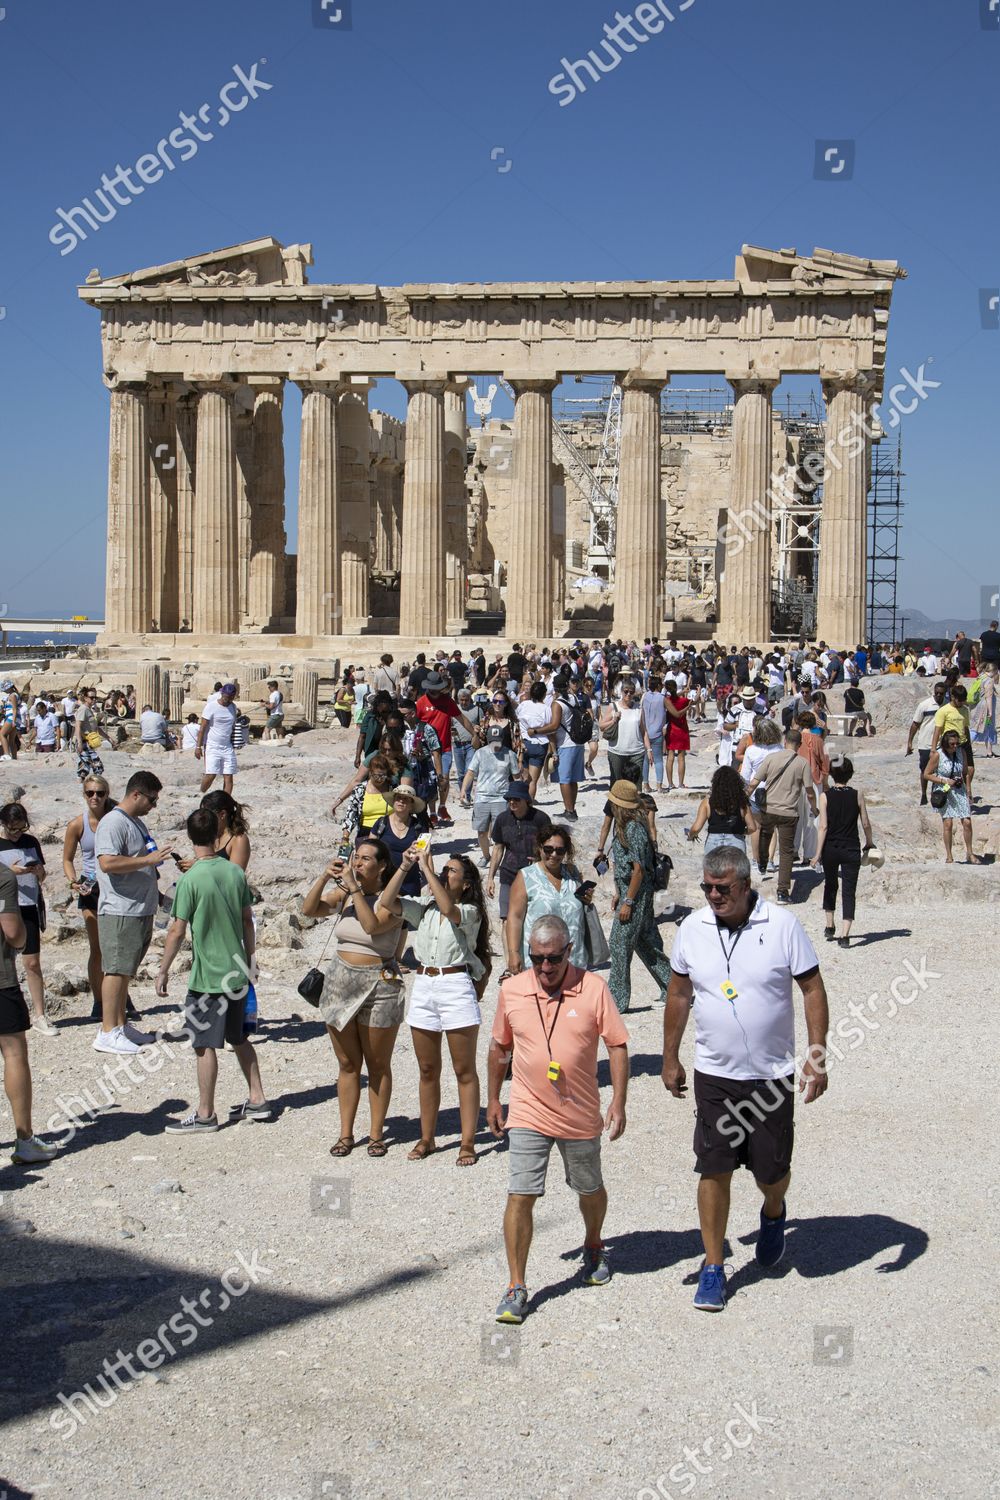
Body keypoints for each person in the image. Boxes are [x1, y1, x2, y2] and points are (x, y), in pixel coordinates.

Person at [661, 846, 829, 1311]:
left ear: (746, 885)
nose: (714, 896)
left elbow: (812, 987)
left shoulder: (782, 927)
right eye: (707, 888)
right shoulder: (692, 930)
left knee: (770, 1171)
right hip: (714, 1073)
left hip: (772, 1075)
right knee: (712, 1166)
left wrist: (816, 1055)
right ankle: (713, 1267)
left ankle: (773, 1211)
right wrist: (669, 1057)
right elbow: (678, 994)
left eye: (723, 889)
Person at [488, 915, 629, 1324]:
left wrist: (618, 1102)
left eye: (553, 959)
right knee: (520, 1193)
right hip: (528, 1108)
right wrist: (493, 1100)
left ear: (569, 952)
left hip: (580, 1112)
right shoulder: (512, 990)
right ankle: (516, 1285)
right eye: (537, 959)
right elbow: (499, 1047)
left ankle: (594, 1241)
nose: (545, 968)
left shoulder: (594, 988)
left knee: (589, 1189)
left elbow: (617, 1046)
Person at [155, 808, 270, 1131]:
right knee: (238, 1037)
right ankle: (258, 1098)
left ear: (191, 838)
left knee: (204, 1044)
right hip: (237, 969)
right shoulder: (235, 873)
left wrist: (163, 969)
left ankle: (206, 1113)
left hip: (208, 977)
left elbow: (177, 929)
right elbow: (248, 919)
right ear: (216, 835)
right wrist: (251, 958)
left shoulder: (190, 879)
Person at [382, 845, 490, 1164]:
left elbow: (450, 911)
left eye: (451, 871)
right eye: (444, 869)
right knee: (427, 1069)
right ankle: (426, 1137)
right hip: (425, 984)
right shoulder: (425, 908)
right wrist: (404, 867)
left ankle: (467, 1141)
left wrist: (429, 871)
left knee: (463, 1069)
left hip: (455, 984)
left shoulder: (471, 912)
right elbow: (387, 903)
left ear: (466, 883)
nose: (445, 873)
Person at [302, 838, 405, 1157]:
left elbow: (373, 926)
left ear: (382, 866)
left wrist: (354, 889)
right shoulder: (346, 894)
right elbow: (309, 910)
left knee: (377, 1063)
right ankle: (346, 1133)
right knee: (347, 1063)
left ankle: (376, 1134)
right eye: (355, 858)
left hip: (380, 986)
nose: (357, 863)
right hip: (340, 982)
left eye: (365, 859)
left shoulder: (392, 901)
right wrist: (323, 878)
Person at [93, 771, 173, 1055]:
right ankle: (107, 1032)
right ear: (136, 794)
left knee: (126, 970)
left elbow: (140, 867)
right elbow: (107, 862)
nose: (154, 805)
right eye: (152, 799)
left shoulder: (135, 823)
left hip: (140, 908)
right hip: (120, 910)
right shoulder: (113, 823)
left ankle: (120, 1025)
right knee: (115, 970)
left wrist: (159, 895)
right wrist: (148, 859)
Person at [0, 861, 59, 1164]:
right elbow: (12, 932)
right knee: (13, 1054)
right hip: (1, 981)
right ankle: (24, 1138)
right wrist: (23, 936)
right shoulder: (2, 875)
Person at [606, 780, 672, 1014]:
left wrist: (628, 901)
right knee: (645, 943)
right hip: (630, 890)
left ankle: (617, 1000)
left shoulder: (633, 828)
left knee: (619, 943)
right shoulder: (626, 826)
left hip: (636, 892)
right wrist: (618, 893)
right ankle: (674, 986)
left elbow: (638, 869)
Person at [63, 776, 118, 1022]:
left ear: (107, 794)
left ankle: (119, 995)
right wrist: (72, 880)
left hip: (114, 886)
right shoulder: (77, 824)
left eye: (99, 793)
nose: (94, 797)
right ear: (84, 795)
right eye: (90, 793)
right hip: (90, 888)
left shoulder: (115, 819)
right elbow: (67, 858)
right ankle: (98, 1000)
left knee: (116, 947)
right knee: (97, 948)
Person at [0, 803, 57, 1035]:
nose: (16, 834)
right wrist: (9, 873)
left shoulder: (31, 842)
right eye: (12, 829)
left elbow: (42, 875)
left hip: (29, 906)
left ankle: (40, 1015)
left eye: (21, 829)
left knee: (32, 963)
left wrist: (37, 872)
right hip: (5, 907)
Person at [506, 824, 590, 972]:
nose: (554, 855)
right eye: (548, 849)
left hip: (574, 959)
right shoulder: (526, 876)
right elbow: (515, 917)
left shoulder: (573, 873)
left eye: (560, 850)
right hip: (541, 962)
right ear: (540, 848)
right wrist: (513, 953)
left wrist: (587, 899)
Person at [488, 782, 551, 975]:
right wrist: (490, 877)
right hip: (509, 874)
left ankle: (535, 963)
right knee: (507, 919)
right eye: (509, 799)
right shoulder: (502, 819)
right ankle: (511, 966)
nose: (512, 802)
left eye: (516, 799)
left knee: (534, 920)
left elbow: (550, 847)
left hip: (535, 876)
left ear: (526, 800)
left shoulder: (541, 819)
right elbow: (498, 848)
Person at [747, 729, 817, 904]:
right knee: (786, 853)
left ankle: (762, 862)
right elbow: (809, 791)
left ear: (785, 741)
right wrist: (815, 808)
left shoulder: (771, 759)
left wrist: (743, 799)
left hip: (768, 808)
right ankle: (782, 892)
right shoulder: (802, 763)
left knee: (765, 835)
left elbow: (754, 782)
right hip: (788, 812)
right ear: (799, 745)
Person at [812, 757, 874, 948]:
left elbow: (823, 826)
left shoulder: (825, 796)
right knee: (849, 891)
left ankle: (829, 925)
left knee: (830, 886)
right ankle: (845, 935)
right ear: (851, 774)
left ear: (831, 774)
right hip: (851, 848)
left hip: (831, 847)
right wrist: (870, 842)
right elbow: (865, 822)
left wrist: (816, 854)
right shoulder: (857, 795)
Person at [416, 672, 475, 827]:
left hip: (445, 747)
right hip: (427, 750)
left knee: (444, 778)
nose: (435, 692)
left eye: (437, 689)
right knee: (431, 781)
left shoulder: (447, 701)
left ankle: (442, 806)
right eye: (432, 689)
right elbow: (416, 726)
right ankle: (433, 813)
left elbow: (462, 719)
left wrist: (475, 735)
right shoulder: (421, 703)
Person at [536, 672, 591, 821]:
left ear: (554, 688)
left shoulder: (557, 703)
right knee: (573, 779)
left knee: (564, 780)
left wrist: (536, 731)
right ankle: (571, 809)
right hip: (577, 743)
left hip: (565, 744)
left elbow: (554, 725)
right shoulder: (574, 698)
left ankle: (569, 810)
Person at [460, 736, 521, 867]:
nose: (495, 744)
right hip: (482, 797)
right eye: (492, 741)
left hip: (501, 797)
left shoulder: (510, 754)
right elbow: (470, 773)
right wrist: (464, 789)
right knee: (481, 831)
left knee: (499, 832)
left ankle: (497, 861)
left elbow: (516, 776)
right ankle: (486, 856)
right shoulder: (480, 753)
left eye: (498, 741)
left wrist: (520, 794)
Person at [924, 730, 978, 864]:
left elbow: (965, 772)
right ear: (945, 744)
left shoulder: (961, 752)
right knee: (948, 823)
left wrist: (969, 789)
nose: (955, 747)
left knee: (967, 821)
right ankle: (949, 855)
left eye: (957, 744)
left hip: (959, 790)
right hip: (944, 790)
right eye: (952, 744)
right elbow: (927, 774)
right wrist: (944, 781)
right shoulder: (938, 755)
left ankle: (970, 853)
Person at [686, 767, 757, 856]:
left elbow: (696, 828)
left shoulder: (707, 802)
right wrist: (741, 831)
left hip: (714, 843)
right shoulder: (742, 803)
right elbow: (752, 827)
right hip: (736, 842)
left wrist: (690, 835)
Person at [368, 785, 425, 894]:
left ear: (411, 805)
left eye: (406, 799)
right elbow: (370, 850)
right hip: (384, 881)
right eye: (398, 798)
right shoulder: (381, 823)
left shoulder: (418, 827)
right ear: (393, 801)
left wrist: (430, 879)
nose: (401, 801)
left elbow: (425, 854)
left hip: (410, 881)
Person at [906, 680, 948, 803]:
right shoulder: (924, 705)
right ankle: (924, 794)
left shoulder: (947, 705)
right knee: (925, 771)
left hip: (942, 745)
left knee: (942, 771)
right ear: (934, 692)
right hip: (926, 743)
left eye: (941, 693)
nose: (939, 695)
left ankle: (937, 794)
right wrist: (909, 742)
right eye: (937, 693)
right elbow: (915, 724)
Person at [602, 677, 646, 790]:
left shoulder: (639, 708)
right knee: (616, 784)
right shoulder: (613, 707)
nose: (628, 694)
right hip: (617, 751)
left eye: (631, 692)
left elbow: (643, 730)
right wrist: (613, 720)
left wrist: (649, 750)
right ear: (621, 691)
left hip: (637, 751)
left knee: (636, 786)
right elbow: (601, 726)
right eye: (626, 691)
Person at [196, 683, 238, 795]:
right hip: (212, 745)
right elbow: (202, 728)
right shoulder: (211, 706)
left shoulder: (233, 707)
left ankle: (226, 801)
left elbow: (232, 726)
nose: (227, 700)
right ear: (221, 694)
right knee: (211, 774)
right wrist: (198, 747)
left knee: (228, 776)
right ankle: (201, 793)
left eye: (230, 698)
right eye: (225, 697)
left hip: (227, 746)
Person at [516, 681, 552, 801]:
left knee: (525, 777)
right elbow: (549, 728)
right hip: (539, 745)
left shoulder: (524, 705)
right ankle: (529, 803)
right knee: (533, 780)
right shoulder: (546, 709)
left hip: (524, 743)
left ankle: (522, 800)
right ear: (544, 694)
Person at [663, 679, 692, 791]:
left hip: (672, 730)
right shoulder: (684, 701)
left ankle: (670, 783)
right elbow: (696, 701)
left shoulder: (667, 700)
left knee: (670, 757)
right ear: (676, 687)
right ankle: (681, 783)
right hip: (682, 730)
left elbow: (674, 697)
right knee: (681, 758)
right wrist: (697, 693)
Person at [73, 688, 106, 780]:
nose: (94, 699)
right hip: (83, 742)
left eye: (95, 697)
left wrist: (109, 738)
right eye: (92, 697)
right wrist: (79, 743)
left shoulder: (89, 710)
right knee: (96, 767)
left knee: (86, 767)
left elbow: (95, 728)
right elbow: (78, 726)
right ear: (86, 698)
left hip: (89, 743)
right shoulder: (83, 709)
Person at [970, 662, 998, 757]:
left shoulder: (981, 677)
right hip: (985, 710)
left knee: (987, 728)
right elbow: (988, 697)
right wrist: (990, 712)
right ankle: (964, 748)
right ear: (994, 671)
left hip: (978, 707)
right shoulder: (989, 680)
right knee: (977, 729)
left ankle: (989, 752)